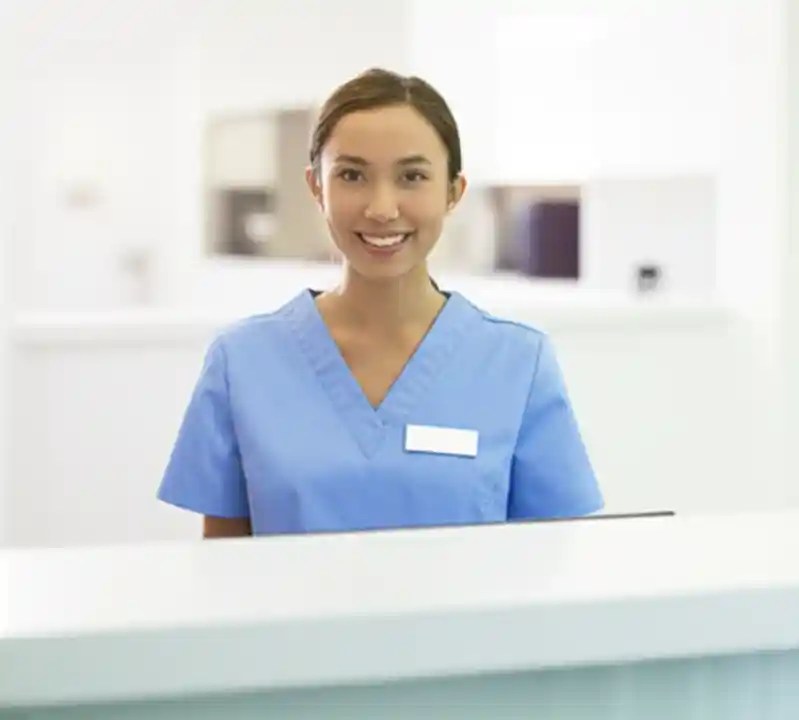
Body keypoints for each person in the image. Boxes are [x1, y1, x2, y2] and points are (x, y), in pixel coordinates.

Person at [158, 68, 604, 538]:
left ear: (453, 191)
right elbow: (222, 576)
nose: (381, 208)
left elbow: (551, 570)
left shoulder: (518, 364)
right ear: (316, 187)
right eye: (352, 175)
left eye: (412, 176)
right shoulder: (243, 361)